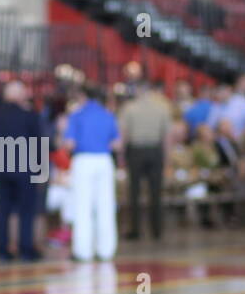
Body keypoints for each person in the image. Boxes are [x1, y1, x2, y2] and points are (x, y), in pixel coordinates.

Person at [0, 80, 45, 260]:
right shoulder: (30, 115)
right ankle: (26, 250)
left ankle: (3, 250)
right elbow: (40, 143)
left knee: (4, 210)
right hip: (26, 169)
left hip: (3, 169)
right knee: (26, 210)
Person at [63, 85, 120, 261]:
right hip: (104, 160)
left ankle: (83, 251)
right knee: (105, 205)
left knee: (82, 206)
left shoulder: (76, 115)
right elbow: (117, 144)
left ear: (82, 96)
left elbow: (69, 144)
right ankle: (106, 250)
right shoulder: (108, 115)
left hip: (83, 160)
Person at [119, 78, 172, 241]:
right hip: (155, 151)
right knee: (156, 192)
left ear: (137, 90)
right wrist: (167, 159)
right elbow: (167, 137)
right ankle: (157, 230)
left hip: (136, 151)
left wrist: (121, 157)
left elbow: (124, 135)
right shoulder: (163, 107)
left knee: (134, 192)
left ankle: (135, 229)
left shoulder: (129, 108)